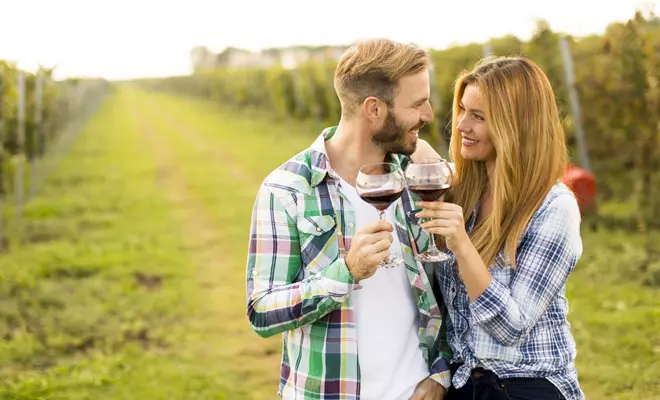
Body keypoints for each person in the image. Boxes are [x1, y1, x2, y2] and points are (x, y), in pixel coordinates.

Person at [245, 38, 451, 400]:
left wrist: (440, 374)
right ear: (374, 109)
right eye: (417, 104)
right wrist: (347, 271)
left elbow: (446, 290)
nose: (429, 115)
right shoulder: (287, 189)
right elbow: (261, 311)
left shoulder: (417, 178)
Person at [415, 56, 585, 400]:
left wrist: (461, 245)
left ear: (516, 126)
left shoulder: (553, 207)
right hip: (466, 385)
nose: (461, 125)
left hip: (527, 387)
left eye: (478, 116)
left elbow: (511, 327)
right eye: (462, 110)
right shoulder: (463, 190)